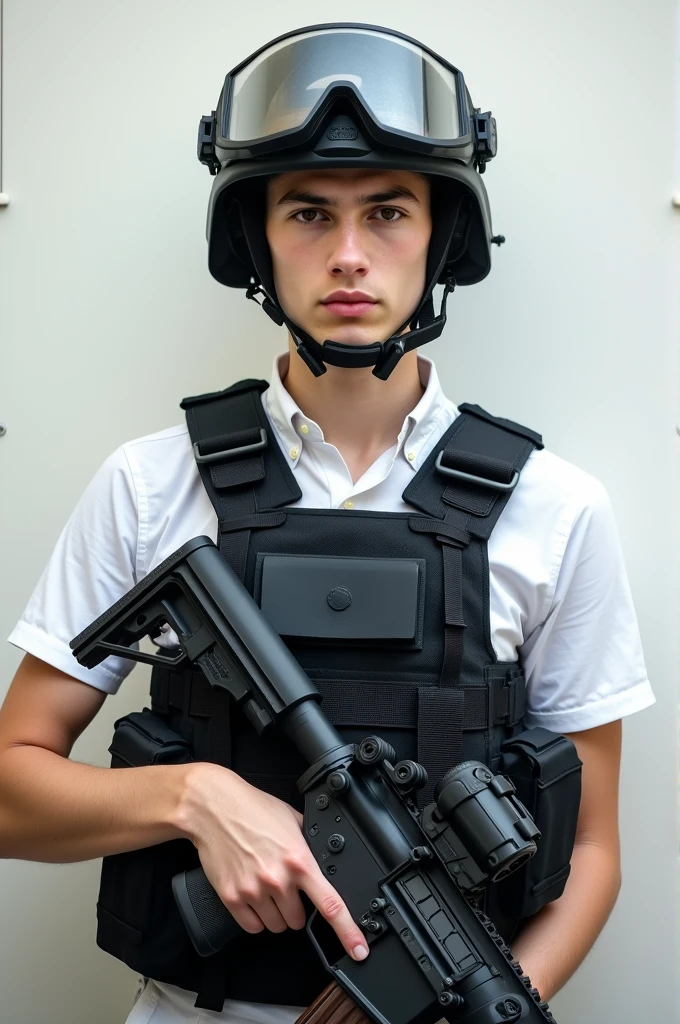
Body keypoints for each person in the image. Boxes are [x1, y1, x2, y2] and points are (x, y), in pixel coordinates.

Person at [0, 23, 654, 1024]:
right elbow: (11, 795)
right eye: (308, 213)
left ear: (441, 237)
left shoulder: (555, 508)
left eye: (388, 211)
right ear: (255, 240)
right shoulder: (150, 483)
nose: (348, 256)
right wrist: (194, 798)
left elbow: (594, 850)